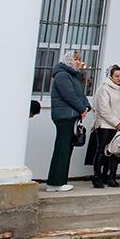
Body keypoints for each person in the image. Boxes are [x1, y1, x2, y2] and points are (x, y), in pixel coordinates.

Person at [46, 51, 90, 192]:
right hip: (64, 116)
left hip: (70, 115)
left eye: (79, 59)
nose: (78, 62)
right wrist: (82, 109)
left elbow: (79, 94)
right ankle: (56, 182)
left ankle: (59, 181)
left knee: (66, 148)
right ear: (69, 60)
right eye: (75, 59)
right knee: (62, 148)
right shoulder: (62, 75)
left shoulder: (72, 75)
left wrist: (86, 106)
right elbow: (69, 95)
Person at [91, 65, 120, 188]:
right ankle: (97, 177)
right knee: (102, 151)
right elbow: (103, 108)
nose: (119, 78)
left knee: (116, 152)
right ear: (111, 76)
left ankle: (111, 177)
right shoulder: (104, 89)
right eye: (117, 76)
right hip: (105, 125)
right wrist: (116, 122)